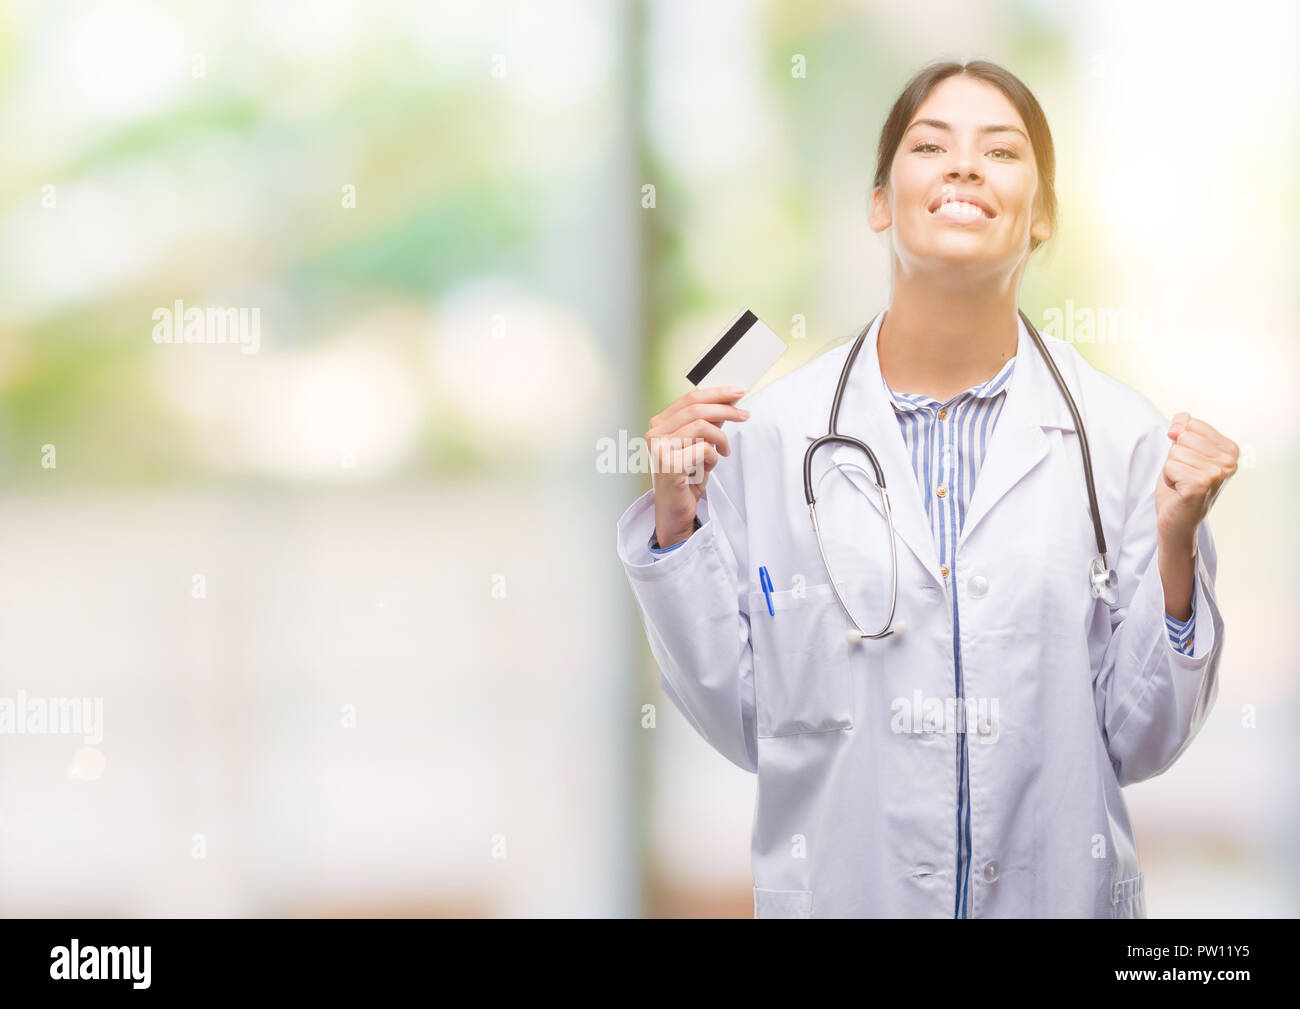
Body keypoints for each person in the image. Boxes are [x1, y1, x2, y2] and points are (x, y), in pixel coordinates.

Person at [614, 60, 1237, 918]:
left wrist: (1175, 546)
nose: (965, 166)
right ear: (881, 202)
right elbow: (746, 722)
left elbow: (1142, 738)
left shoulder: (1122, 437)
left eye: (1002, 151)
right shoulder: (774, 435)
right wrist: (678, 522)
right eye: (931, 144)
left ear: (1042, 214)